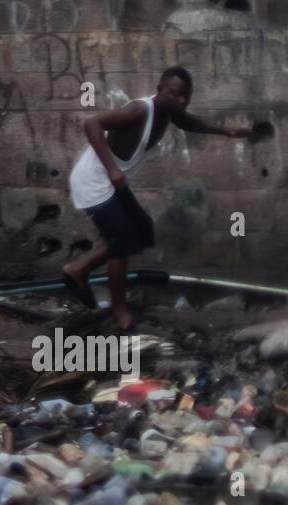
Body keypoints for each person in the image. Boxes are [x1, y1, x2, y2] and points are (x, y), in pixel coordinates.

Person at [61, 67, 251, 331]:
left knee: (142, 231)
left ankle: (79, 269)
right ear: (160, 89)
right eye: (175, 94)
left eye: (186, 96)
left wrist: (226, 131)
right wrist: (113, 170)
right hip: (93, 181)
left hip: (112, 181)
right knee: (121, 243)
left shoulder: (169, 112)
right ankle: (119, 311)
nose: (181, 101)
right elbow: (91, 124)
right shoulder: (139, 110)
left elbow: (188, 122)